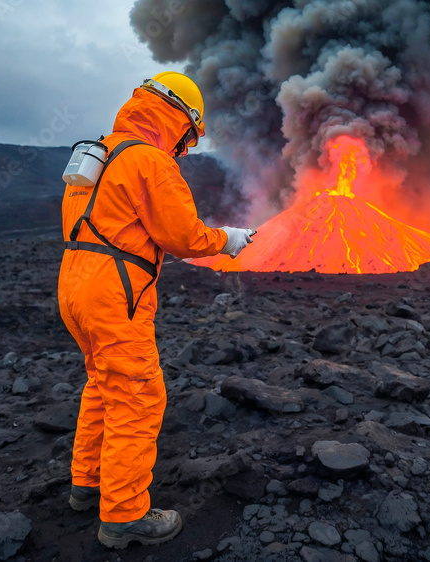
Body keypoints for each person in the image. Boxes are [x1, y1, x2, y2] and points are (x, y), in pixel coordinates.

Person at [57, 71, 254, 549]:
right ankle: (124, 516)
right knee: (138, 396)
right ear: (179, 119)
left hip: (75, 285)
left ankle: (87, 484)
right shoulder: (150, 161)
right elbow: (181, 236)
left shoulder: (101, 153)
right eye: (189, 134)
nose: (186, 146)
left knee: (104, 384)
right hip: (114, 293)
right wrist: (227, 240)